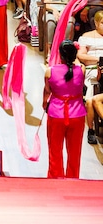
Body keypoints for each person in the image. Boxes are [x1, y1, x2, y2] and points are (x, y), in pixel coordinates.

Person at [46, 41, 87, 179]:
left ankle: (55, 179)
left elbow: (47, 92)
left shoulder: (50, 71)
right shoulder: (81, 69)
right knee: (75, 152)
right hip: (78, 114)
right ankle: (73, 179)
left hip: (56, 113)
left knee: (55, 151)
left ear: (60, 55)